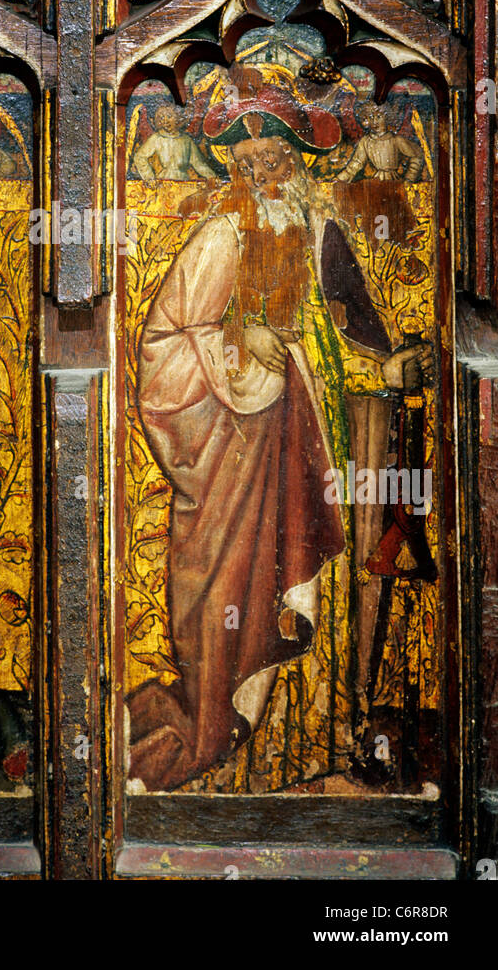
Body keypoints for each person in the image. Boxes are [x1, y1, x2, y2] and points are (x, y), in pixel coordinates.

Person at [127, 86, 432, 792]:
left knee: (315, 581)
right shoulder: (220, 236)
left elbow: (347, 338)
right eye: (248, 164)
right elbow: (163, 343)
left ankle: (314, 743)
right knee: (230, 583)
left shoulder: (322, 233)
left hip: (314, 437)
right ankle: (228, 734)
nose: (263, 174)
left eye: (274, 159)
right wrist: (238, 339)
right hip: (234, 448)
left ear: (299, 163)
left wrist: (385, 368)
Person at [132, 103, 218, 181]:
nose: (165, 121)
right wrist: (149, 177)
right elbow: (139, 157)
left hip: (184, 183)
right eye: (162, 118)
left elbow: (199, 164)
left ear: (178, 117)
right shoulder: (157, 138)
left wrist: (212, 177)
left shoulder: (186, 140)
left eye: (169, 116)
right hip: (164, 182)